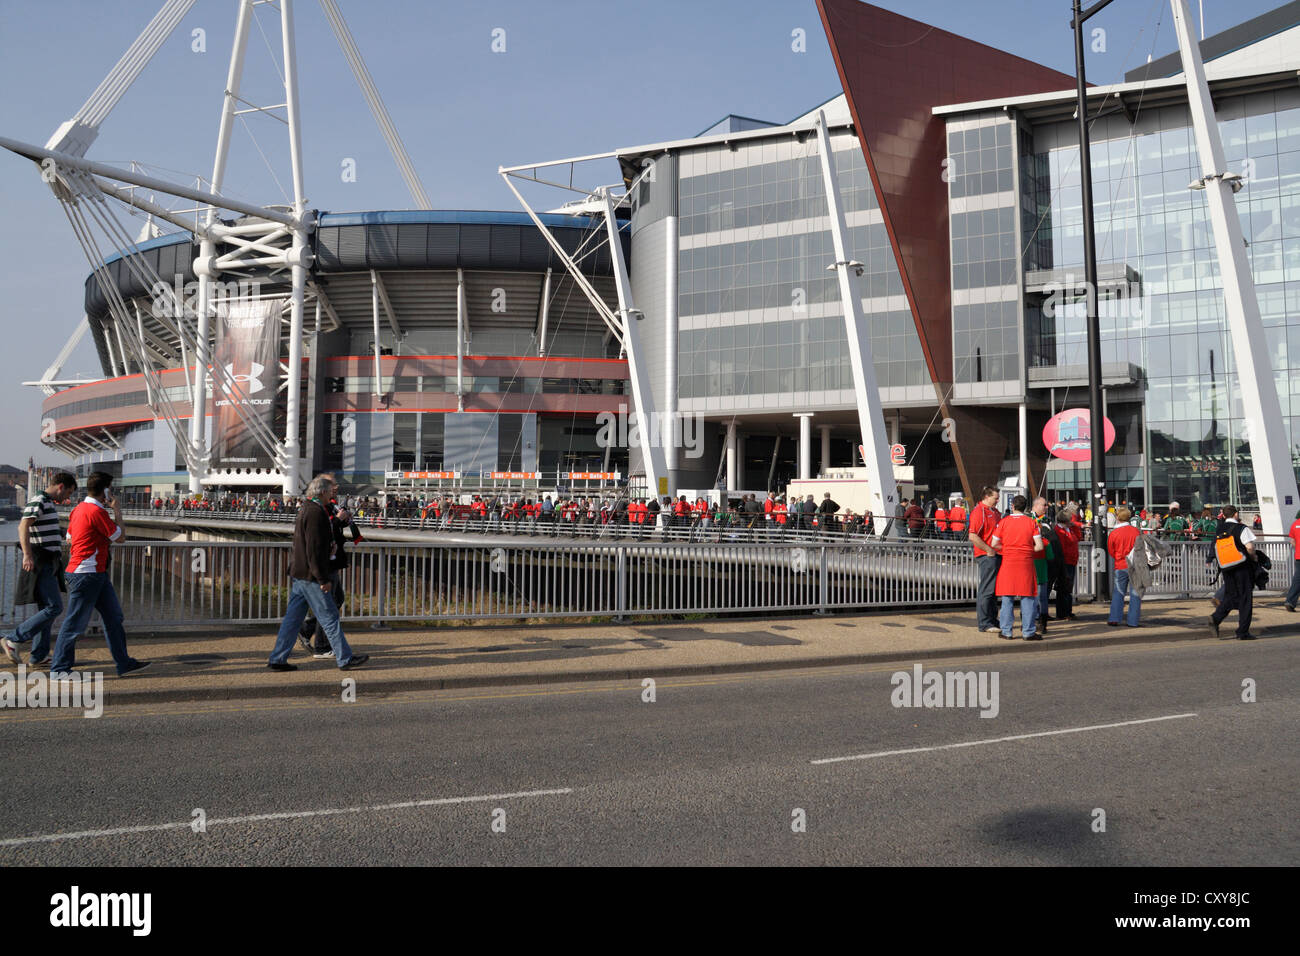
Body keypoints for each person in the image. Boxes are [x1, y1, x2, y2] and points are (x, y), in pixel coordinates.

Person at [48, 472, 151, 679]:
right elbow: (120, 537)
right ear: (105, 490)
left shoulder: (78, 510)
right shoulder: (97, 512)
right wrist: (117, 511)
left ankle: (124, 664)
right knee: (75, 624)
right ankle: (59, 668)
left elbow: (69, 538)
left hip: (91, 573)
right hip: (88, 573)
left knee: (114, 617)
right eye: (110, 489)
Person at [268, 474, 369, 671]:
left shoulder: (307, 508)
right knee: (329, 616)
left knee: (293, 619)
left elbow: (310, 545)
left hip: (300, 573)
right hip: (311, 576)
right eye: (330, 490)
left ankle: (278, 658)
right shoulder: (316, 512)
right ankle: (345, 658)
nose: (332, 494)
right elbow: (314, 550)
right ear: (322, 492)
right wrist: (322, 578)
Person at [3, 471, 77, 667]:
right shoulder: (40, 500)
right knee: (54, 607)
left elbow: (39, 527)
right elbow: (23, 526)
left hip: (47, 560)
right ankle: (13, 638)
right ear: (60, 486)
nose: (67, 498)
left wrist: (61, 533)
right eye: (68, 493)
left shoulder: (48, 502)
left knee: (46, 608)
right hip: (41, 560)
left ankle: (39, 655)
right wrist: (27, 555)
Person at [297, 485, 361, 660]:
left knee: (336, 600)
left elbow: (332, 530)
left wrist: (345, 520)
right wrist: (339, 520)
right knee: (328, 606)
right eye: (332, 486)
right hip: (326, 562)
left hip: (333, 559)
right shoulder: (317, 508)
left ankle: (307, 629)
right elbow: (324, 531)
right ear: (322, 490)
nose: (336, 488)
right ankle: (321, 646)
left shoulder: (331, 505)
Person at [990, 495, 1043, 640]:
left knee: (1007, 597)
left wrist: (1006, 549)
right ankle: (1028, 632)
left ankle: (1006, 631)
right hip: (1025, 563)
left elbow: (994, 544)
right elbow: (1039, 546)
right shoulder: (1031, 523)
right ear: (1025, 507)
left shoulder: (1003, 522)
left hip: (1008, 562)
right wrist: (1025, 549)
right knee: (1028, 598)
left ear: (1012, 506)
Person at [1209, 505, 1257, 639]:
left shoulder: (1219, 529)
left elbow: (1214, 546)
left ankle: (1216, 618)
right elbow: (1250, 547)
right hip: (1242, 566)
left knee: (1231, 595)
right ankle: (1243, 632)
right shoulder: (1241, 528)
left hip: (1226, 566)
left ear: (1224, 515)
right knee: (1245, 598)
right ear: (1236, 514)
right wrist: (1254, 557)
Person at [968, 487, 1001, 634]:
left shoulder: (994, 512)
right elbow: (973, 535)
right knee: (987, 590)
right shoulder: (979, 511)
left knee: (993, 590)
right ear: (987, 497)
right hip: (987, 555)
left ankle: (992, 620)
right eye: (995, 497)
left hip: (994, 554)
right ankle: (985, 623)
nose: (998, 500)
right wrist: (988, 550)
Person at [1031, 496, 1065, 635]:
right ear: (1036, 505)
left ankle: (1041, 622)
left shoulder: (1046, 521)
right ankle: (1036, 621)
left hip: (1047, 564)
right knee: (1036, 596)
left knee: (1042, 596)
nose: (1046, 507)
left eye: (1046, 505)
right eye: (1044, 505)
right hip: (1036, 564)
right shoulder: (1031, 521)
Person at [1107, 506, 1142, 627]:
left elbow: (1111, 550)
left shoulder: (1114, 533)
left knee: (1118, 593)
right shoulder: (1136, 531)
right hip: (1135, 565)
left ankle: (1114, 618)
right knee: (1135, 594)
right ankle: (1133, 621)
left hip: (1120, 564)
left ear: (1117, 517)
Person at [1053, 508, 1081, 621]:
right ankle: (1063, 612)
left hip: (1071, 561)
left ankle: (1067, 611)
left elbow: (1078, 537)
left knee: (1067, 588)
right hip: (1065, 562)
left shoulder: (1069, 529)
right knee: (1064, 588)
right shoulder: (1059, 531)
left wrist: (1074, 526)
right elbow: (1062, 548)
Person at [1284, 508, 1300, 612]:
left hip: (1298, 555)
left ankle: (1290, 601)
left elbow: (1292, 541)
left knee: (1297, 580)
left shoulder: (1295, 524)